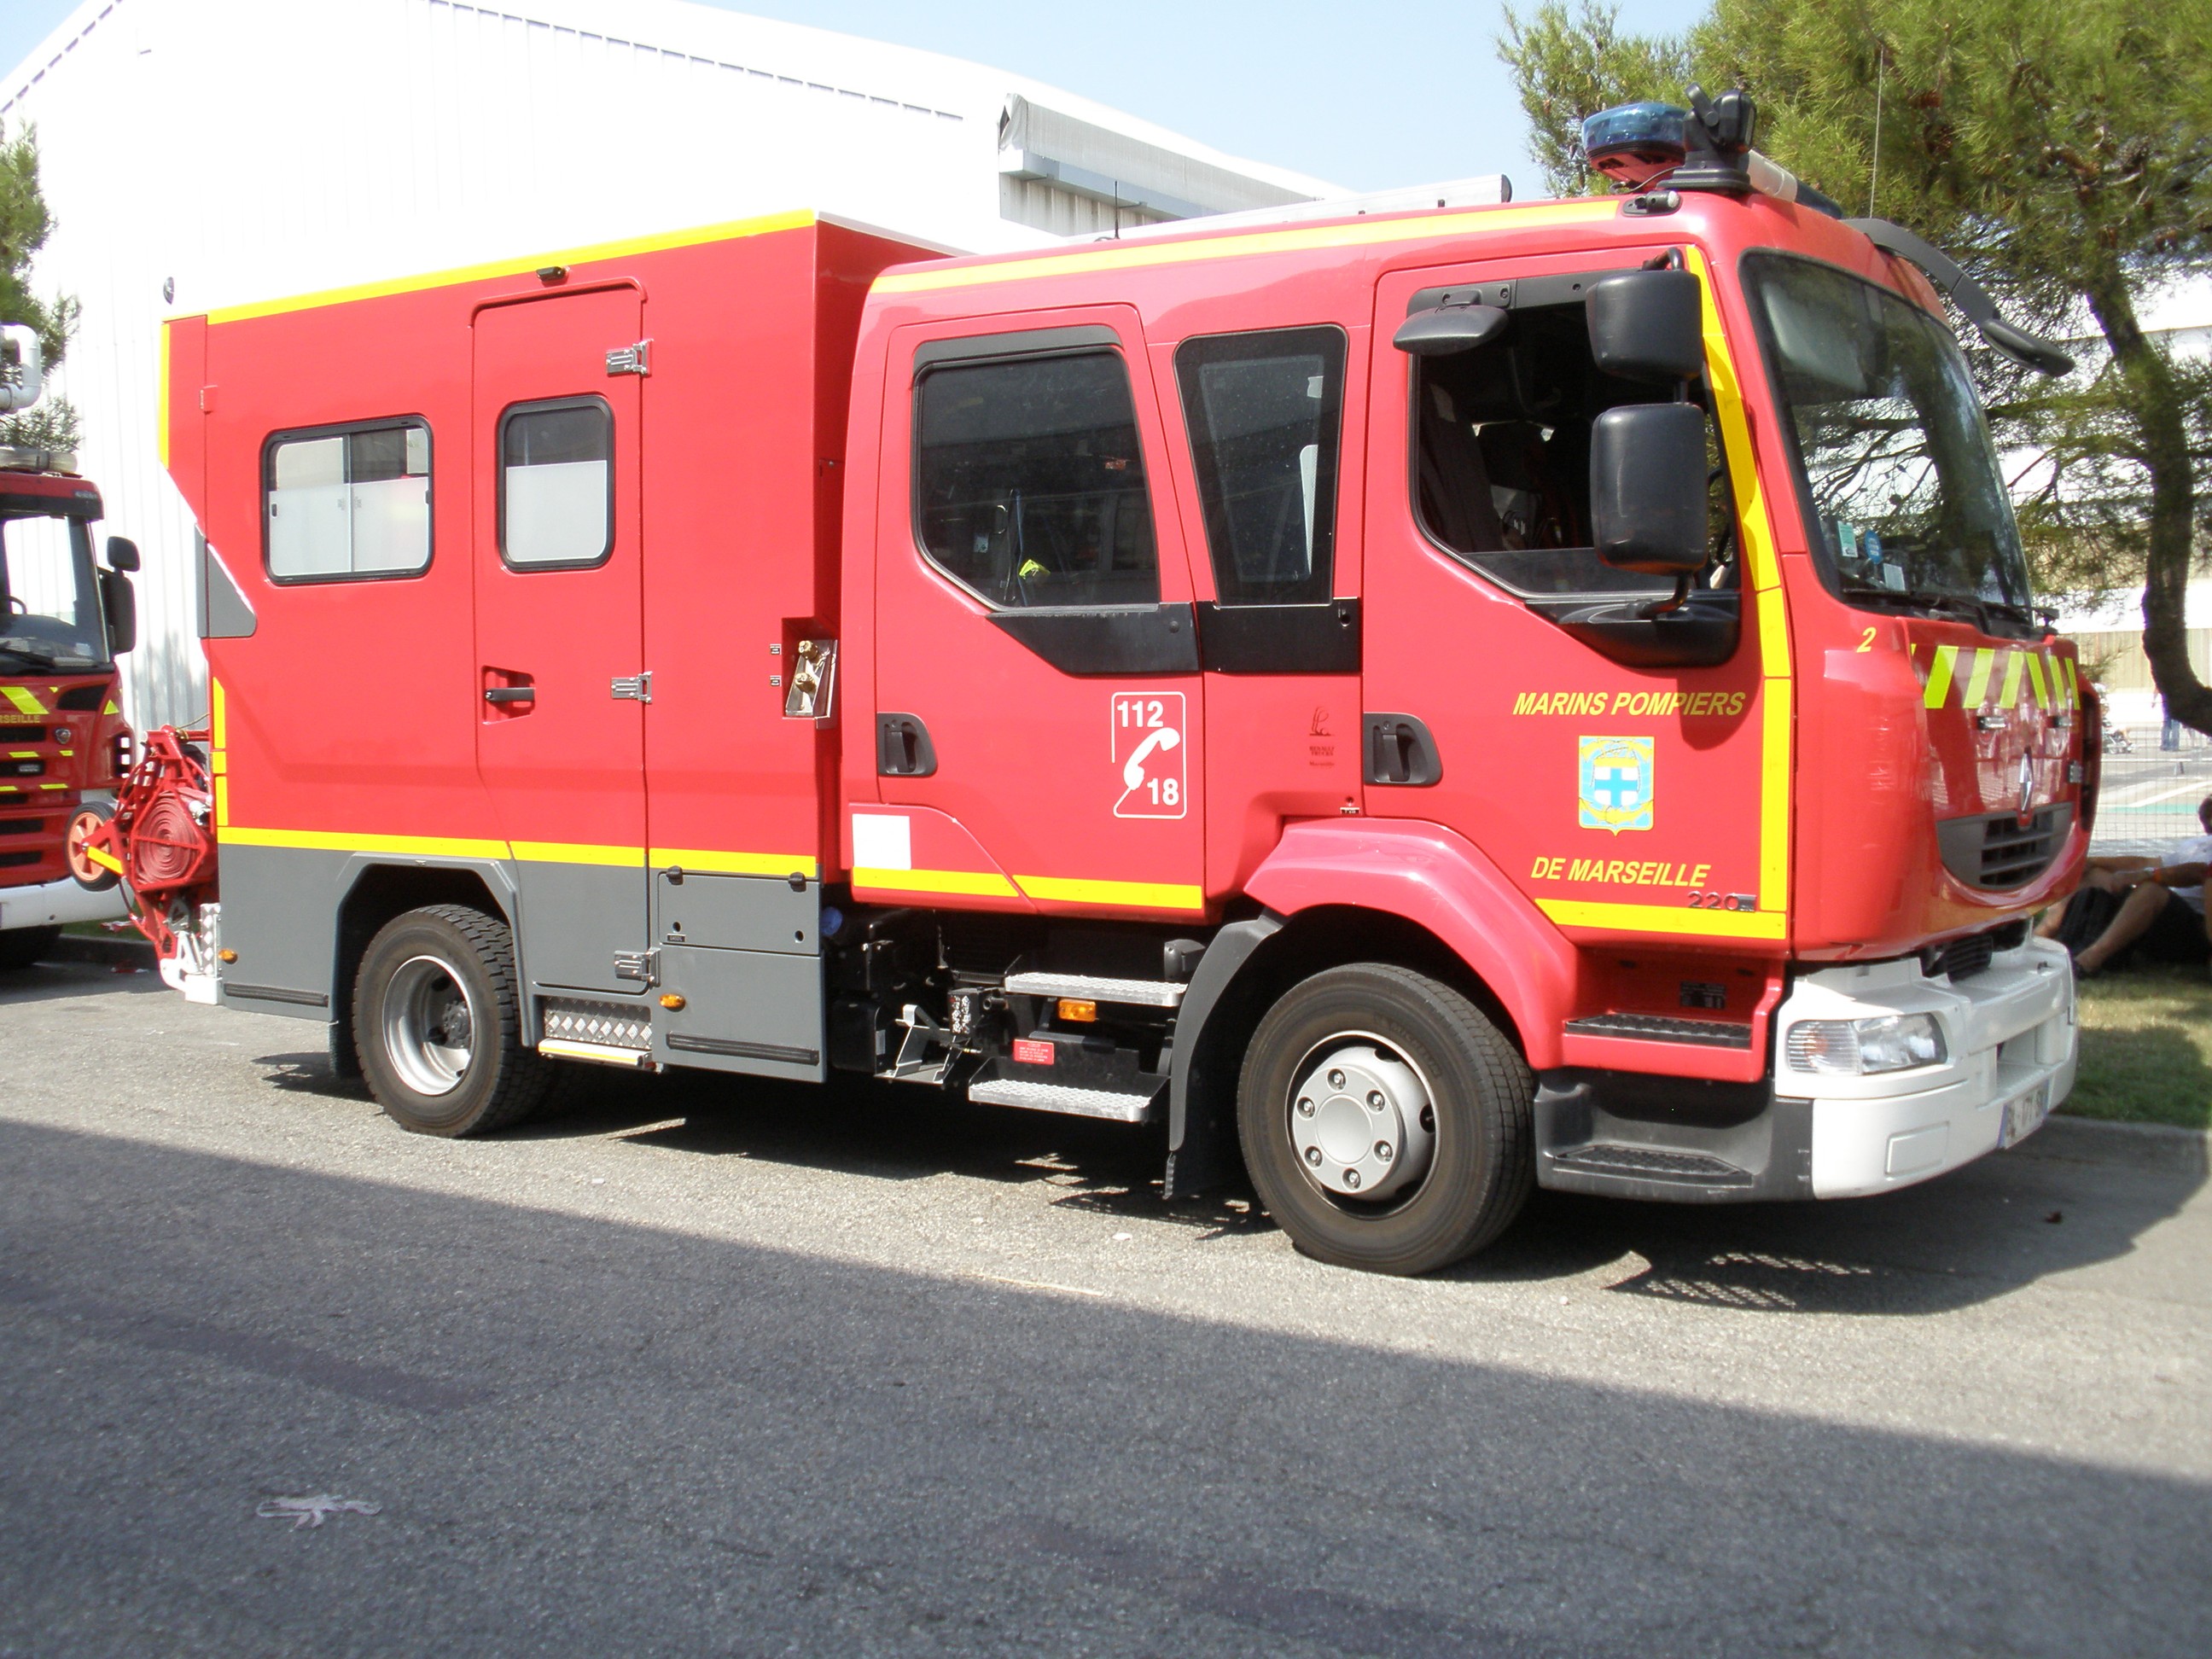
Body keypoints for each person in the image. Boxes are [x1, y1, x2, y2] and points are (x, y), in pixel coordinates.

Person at [2053, 795, 2212, 975]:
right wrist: (2094, 862)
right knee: (2094, 875)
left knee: (2151, 890)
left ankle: (2087, 961)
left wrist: (2145, 876)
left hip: (2197, 929)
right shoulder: (2195, 846)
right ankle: (2041, 940)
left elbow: (2200, 872)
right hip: (2165, 919)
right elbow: (2147, 862)